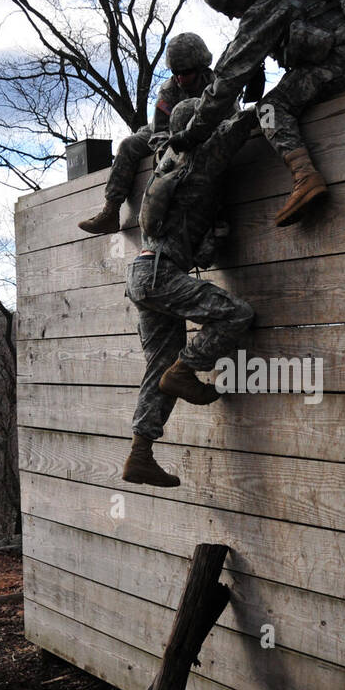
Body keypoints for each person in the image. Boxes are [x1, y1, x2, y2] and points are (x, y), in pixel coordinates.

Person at [166, 0, 345, 227]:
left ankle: (305, 177)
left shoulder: (266, 6)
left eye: (229, 6)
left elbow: (227, 81)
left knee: (269, 109)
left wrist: (194, 132)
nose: (232, 15)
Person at [121, 99, 260, 488]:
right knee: (236, 314)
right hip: (161, 274)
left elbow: (197, 249)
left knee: (157, 368)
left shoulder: (166, 163)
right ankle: (186, 370)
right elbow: (236, 129)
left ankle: (140, 455)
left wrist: (214, 232)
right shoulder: (199, 160)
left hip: (143, 274)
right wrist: (252, 106)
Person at [77, 32, 216, 234]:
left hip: (200, 134)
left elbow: (230, 116)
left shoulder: (215, 85)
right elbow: (159, 131)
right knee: (128, 144)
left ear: (199, 67)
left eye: (185, 73)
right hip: (168, 133)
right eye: (175, 73)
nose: (179, 78)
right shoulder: (169, 90)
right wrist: (165, 154)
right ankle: (110, 211)